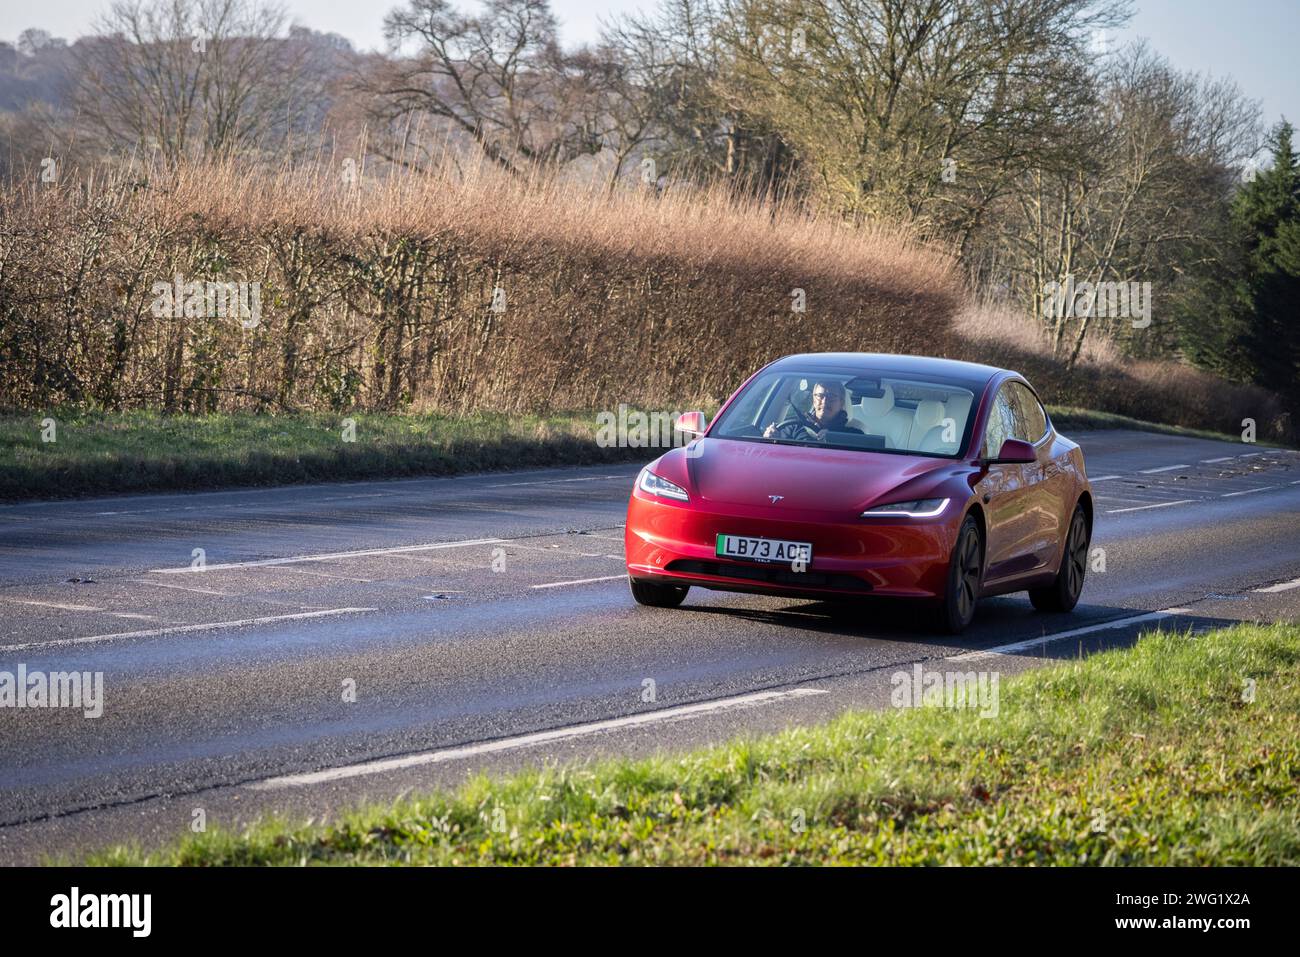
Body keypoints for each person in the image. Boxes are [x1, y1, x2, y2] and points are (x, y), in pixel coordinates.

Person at [763, 380, 863, 441]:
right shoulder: (792, 427)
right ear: (814, 401)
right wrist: (769, 439)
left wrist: (832, 438)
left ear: (841, 403)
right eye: (820, 396)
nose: (824, 401)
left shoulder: (854, 436)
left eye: (831, 396)